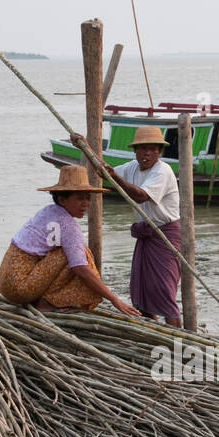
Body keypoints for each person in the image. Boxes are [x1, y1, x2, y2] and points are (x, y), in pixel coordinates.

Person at [77, 126, 184, 328]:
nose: (146, 154)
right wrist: (86, 148)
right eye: (142, 149)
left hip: (164, 234)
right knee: (142, 288)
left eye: (152, 149)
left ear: (159, 151)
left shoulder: (162, 171)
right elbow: (104, 172)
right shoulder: (132, 167)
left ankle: (179, 338)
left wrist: (115, 178)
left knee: (163, 289)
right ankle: (150, 330)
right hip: (146, 233)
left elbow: (141, 195)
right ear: (135, 151)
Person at [0, 165, 138, 316]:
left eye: (87, 198)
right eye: (79, 198)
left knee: (70, 250)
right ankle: (46, 303)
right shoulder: (67, 225)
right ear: (62, 200)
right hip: (20, 287)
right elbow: (81, 269)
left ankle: (40, 300)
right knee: (80, 254)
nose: (85, 204)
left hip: (5, 282)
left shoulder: (47, 211)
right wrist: (114, 299)